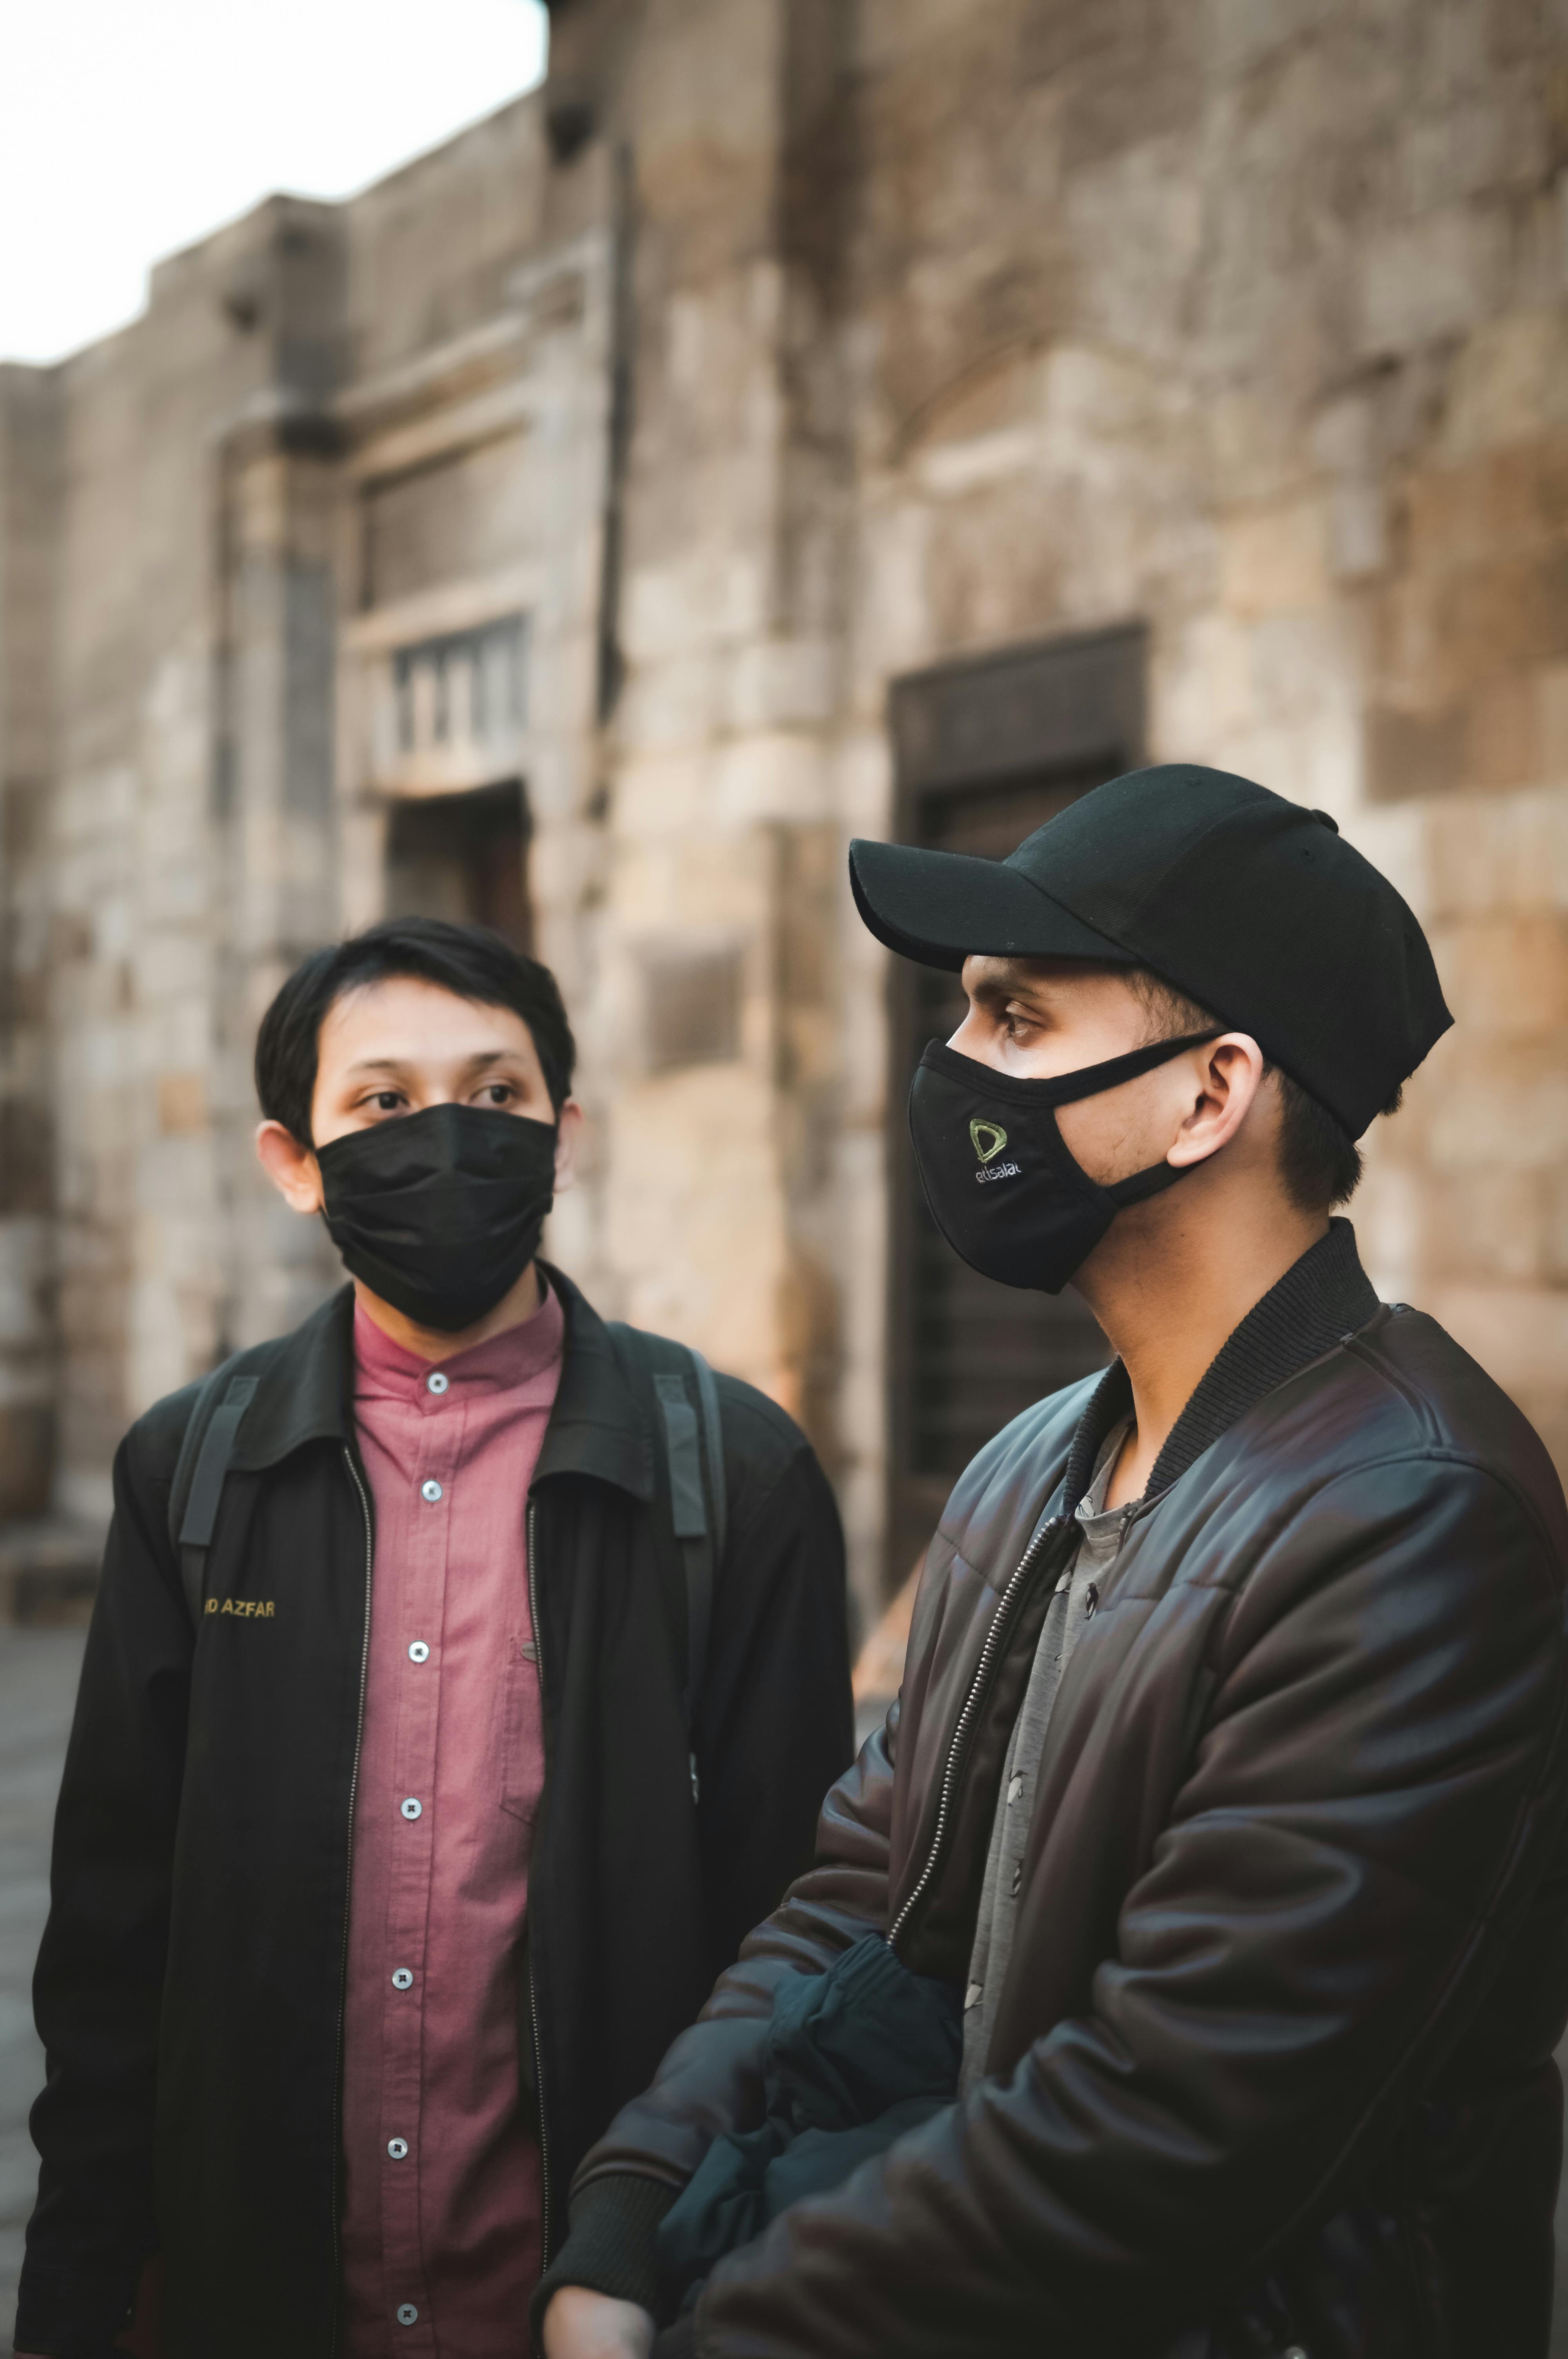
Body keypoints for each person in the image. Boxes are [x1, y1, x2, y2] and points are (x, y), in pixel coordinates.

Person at [539, 764, 1568, 2359]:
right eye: (962, 1013)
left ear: (1211, 1092)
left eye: (1015, 1021)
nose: (948, 1066)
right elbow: (860, 1900)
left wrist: (726, 2331)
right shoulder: (1033, 1462)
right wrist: (629, 2203)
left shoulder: (1414, 1511)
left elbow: (1163, 2131)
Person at [15, 917, 853, 2359]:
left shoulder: (733, 1475)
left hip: (600, 2311)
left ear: (564, 1137)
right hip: (260, 2304)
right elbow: (111, 1945)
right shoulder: (193, 1473)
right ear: (295, 1162)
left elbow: (801, 1943)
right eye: (385, 1104)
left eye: (495, 1095)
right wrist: (76, 2306)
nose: (447, 1140)